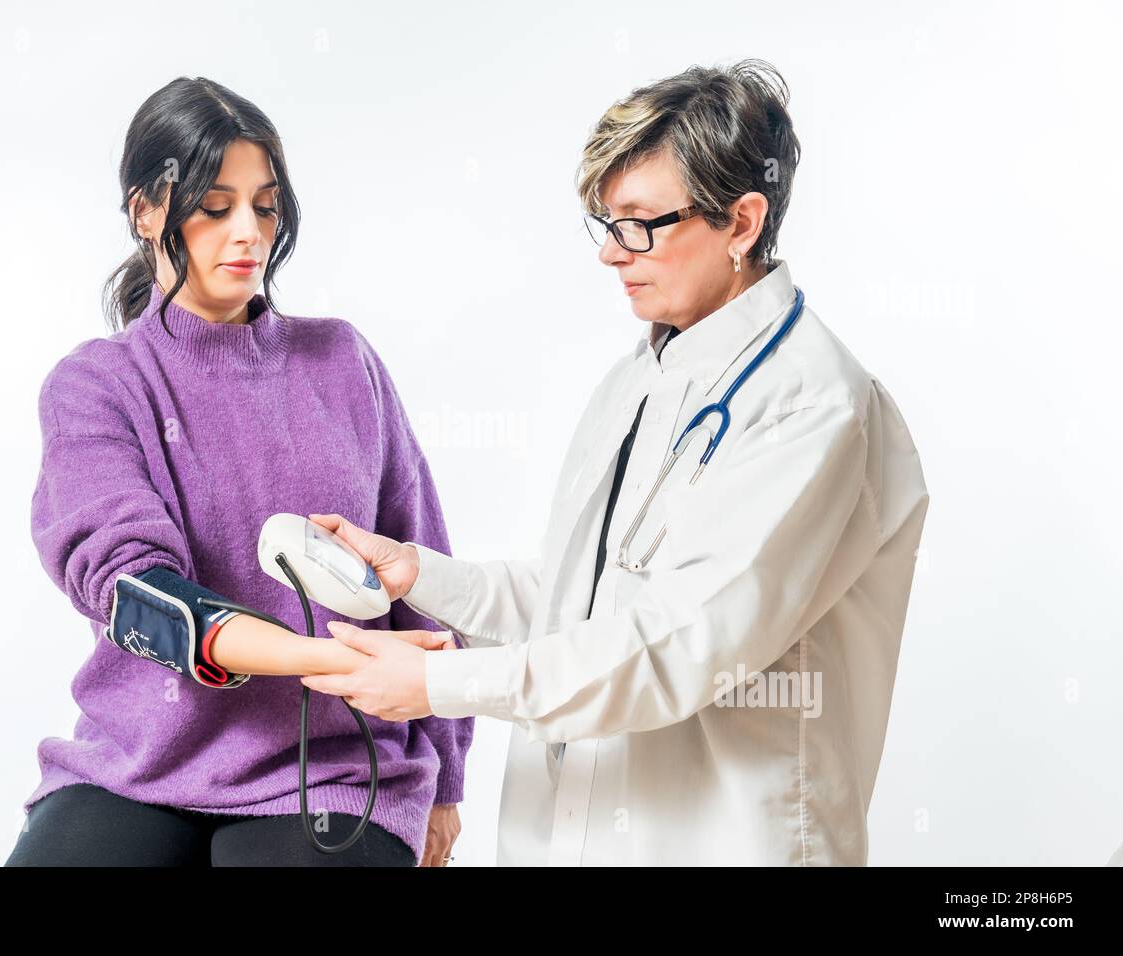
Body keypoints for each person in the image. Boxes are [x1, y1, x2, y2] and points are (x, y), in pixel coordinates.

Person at [301, 60, 930, 865]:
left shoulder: (816, 406)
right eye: (607, 223)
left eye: (639, 223)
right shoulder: (641, 374)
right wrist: (416, 574)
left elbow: (675, 644)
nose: (611, 253)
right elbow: (586, 596)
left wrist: (438, 686)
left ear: (742, 222)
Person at [6, 76, 469, 867]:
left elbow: (424, 565)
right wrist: (328, 657)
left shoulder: (340, 359)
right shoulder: (96, 385)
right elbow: (143, 597)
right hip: (138, 768)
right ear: (145, 211)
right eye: (215, 207)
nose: (247, 232)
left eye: (264, 205)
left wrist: (448, 781)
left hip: (333, 771)